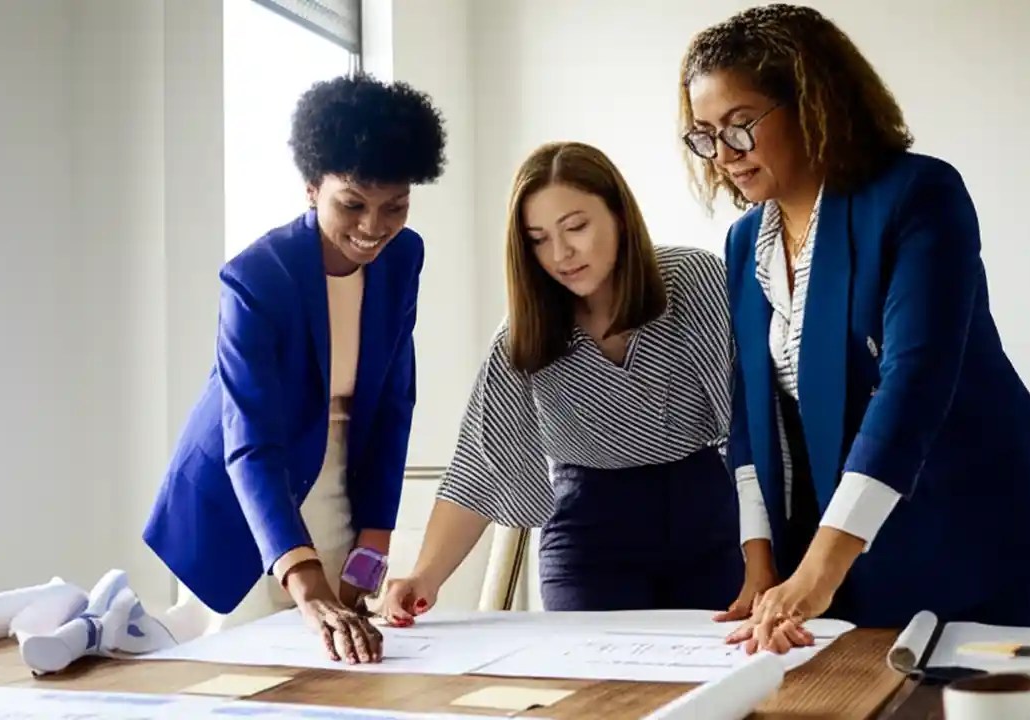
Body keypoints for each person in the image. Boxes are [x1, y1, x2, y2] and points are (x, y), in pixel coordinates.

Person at [677, 4, 1030, 653]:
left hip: (964, 533)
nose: (724, 153)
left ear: (812, 102)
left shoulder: (917, 195)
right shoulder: (743, 242)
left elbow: (913, 385)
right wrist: (761, 564)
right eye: (705, 134)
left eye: (740, 125)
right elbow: (748, 419)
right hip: (845, 553)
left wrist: (819, 569)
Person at [142, 73, 447, 663]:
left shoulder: (403, 256)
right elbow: (250, 443)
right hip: (245, 489)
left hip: (339, 472)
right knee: (250, 669)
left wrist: (373, 546)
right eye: (352, 204)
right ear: (312, 187)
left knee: (345, 660)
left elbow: (392, 401)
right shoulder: (256, 279)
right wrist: (306, 587)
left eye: (395, 207)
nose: (373, 227)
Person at [381, 141, 743, 623]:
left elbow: (751, 424)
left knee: (723, 676)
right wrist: (424, 576)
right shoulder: (524, 333)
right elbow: (482, 463)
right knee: (594, 689)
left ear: (618, 214)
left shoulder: (692, 278)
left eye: (576, 227)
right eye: (538, 239)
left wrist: (774, 556)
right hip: (590, 536)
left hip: (711, 520)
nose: (561, 254)